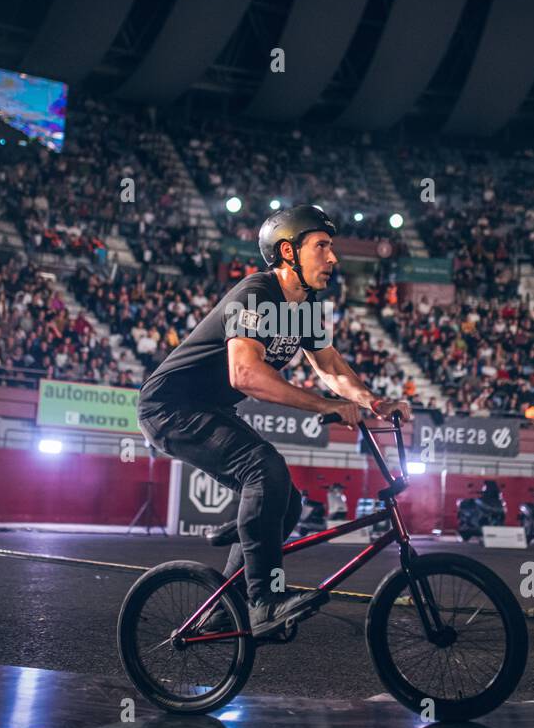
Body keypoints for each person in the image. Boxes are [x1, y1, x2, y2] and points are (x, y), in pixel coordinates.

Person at [137, 204, 412, 639]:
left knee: (286, 502)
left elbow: (330, 366)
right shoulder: (256, 294)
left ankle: (225, 609)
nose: (333, 258)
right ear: (288, 252)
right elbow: (244, 374)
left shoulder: (304, 306)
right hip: (170, 408)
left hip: (209, 410)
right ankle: (262, 601)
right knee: (264, 470)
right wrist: (324, 407)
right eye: (321, 247)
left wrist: (372, 401)